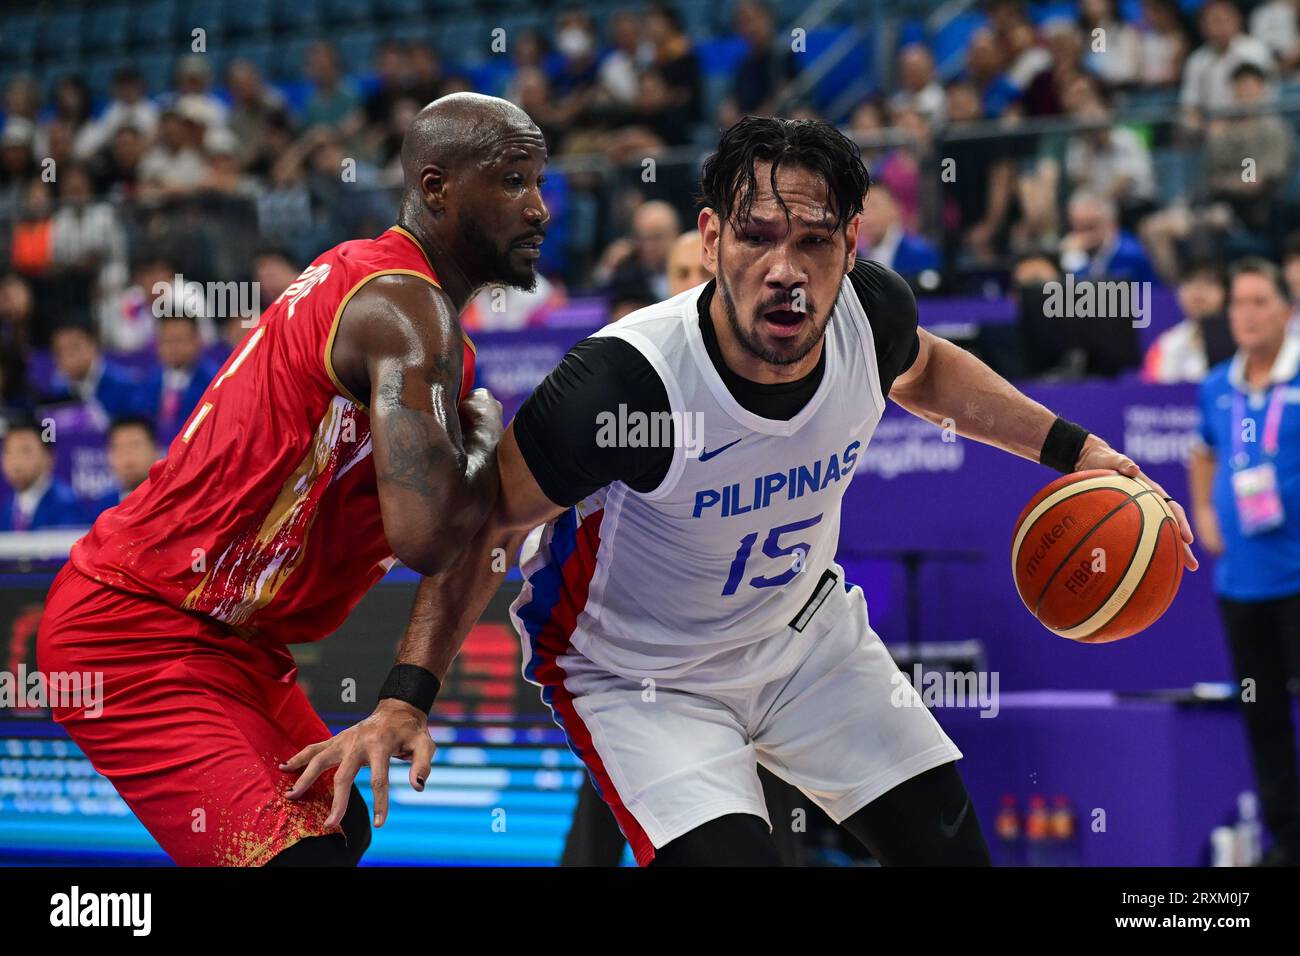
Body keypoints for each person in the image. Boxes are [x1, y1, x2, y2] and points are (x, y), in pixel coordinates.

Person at [295, 116, 1198, 866]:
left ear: (851, 245)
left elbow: (926, 372)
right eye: (757, 236)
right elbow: (486, 524)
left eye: (812, 240)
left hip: (806, 644)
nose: (784, 267)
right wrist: (406, 696)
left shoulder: (868, 314)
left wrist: (1074, 451)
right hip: (642, 678)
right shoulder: (626, 383)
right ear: (712, 239)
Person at [35, 92, 551, 867]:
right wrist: (482, 442)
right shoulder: (405, 309)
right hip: (136, 626)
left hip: (233, 636)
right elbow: (429, 535)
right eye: (513, 181)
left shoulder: (379, 289)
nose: (540, 208)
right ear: (437, 187)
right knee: (293, 856)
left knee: (340, 830)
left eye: (540, 182)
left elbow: (469, 530)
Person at [1189, 257, 1300, 866]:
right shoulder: (1218, 386)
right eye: (1238, 304)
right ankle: (1287, 841)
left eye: (1260, 302)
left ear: (1287, 308)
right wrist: (1204, 511)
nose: (1247, 315)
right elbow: (1203, 453)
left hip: (1297, 576)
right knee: (1263, 716)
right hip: (1243, 583)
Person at [1142, 263, 1234, 383]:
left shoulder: (1241, 342)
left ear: (1227, 293)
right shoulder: (1164, 344)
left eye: (1208, 284)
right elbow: (1149, 391)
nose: (1197, 294)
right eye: (1190, 283)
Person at [0, 419, 85, 531]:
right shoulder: (8, 508)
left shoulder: (66, 506)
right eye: (8, 451)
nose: (15, 463)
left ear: (49, 457)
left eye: (25, 451)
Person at [86, 416, 159, 518]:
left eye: (135, 446)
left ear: (155, 450)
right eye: (119, 448)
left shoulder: (170, 501)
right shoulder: (102, 508)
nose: (128, 458)